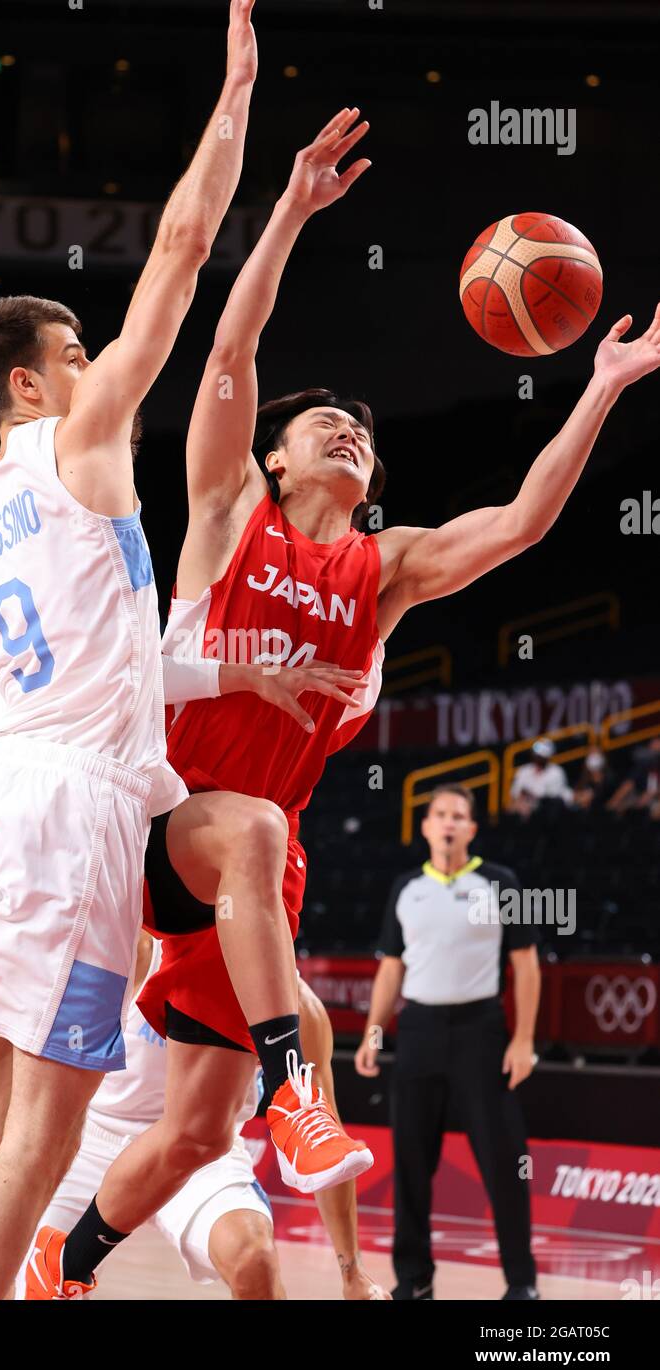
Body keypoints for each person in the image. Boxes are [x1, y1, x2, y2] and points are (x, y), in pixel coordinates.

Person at [34, 98, 660, 1293]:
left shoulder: (385, 573)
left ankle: (67, 1261)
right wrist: (286, 212)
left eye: (361, 435)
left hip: (251, 874)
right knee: (255, 831)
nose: (346, 435)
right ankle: (299, 1087)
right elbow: (227, 357)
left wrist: (603, 386)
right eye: (326, 425)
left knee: (192, 1131)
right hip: (154, 811)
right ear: (274, 456)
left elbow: (522, 524)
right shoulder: (227, 516)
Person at [0, 0, 337, 1303]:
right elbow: (185, 246)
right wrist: (237, 90)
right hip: (79, 810)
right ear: (29, 385)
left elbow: (93, 660)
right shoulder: (83, 450)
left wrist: (223, 672)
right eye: (74, 355)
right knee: (36, 1140)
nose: (98, 366)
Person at [22, 932, 389, 1300]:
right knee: (35, 1284)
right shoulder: (136, 950)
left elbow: (326, 1144)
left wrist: (352, 1270)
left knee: (253, 1259)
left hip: (205, 1153)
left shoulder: (294, 1006)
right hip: (98, 1141)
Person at [355, 784, 542, 1301]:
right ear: (426, 826)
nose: (449, 823)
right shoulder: (406, 887)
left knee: (505, 1160)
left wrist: (523, 1038)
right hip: (418, 1033)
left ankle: (521, 1284)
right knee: (411, 1163)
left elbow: (526, 966)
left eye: (459, 815)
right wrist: (374, 1031)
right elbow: (390, 967)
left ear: (472, 829)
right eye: (440, 814)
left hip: (481, 1033)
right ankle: (414, 1282)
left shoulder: (502, 883)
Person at [508, 737, 574, 819]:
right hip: (526, 807)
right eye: (536, 755)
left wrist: (529, 796)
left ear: (547, 757)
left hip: (548, 811)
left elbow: (549, 798)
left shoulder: (556, 772)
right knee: (512, 808)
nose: (537, 758)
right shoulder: (524, 771)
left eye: (541, 757)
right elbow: (515, 793)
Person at [608, 736, 660, 819]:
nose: (655, 745)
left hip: (653, 797)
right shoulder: (645, 761)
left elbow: (652, 791)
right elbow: (629, 783)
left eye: (657, 743)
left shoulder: (655, 761)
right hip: (639, 792)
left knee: (656, 810)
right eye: (654, 742)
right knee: (621, 805)